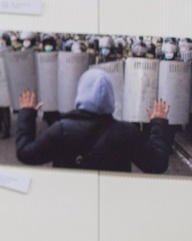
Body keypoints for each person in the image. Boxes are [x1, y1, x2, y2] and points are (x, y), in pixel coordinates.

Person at [14, 68, 173, 174]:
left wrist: (27, 114)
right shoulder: (126, 132)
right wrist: (158, 124)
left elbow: (26, 153)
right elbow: (157, 164)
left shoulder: (61, 129)